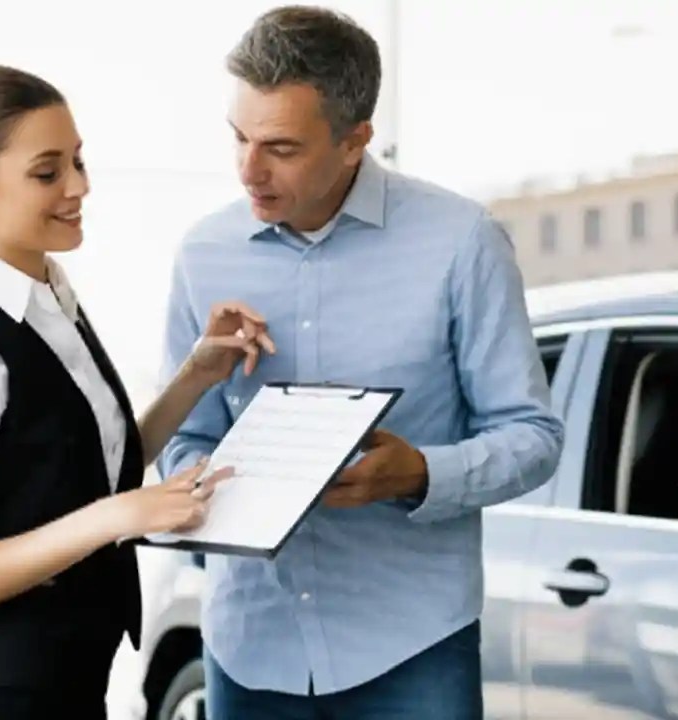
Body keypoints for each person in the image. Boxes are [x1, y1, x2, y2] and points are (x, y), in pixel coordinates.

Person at [159, 6, 564, 719]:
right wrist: (203, 482)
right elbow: (184, 439)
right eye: (239, 137)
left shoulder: (461, 241)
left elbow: (533, 435)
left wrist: (421, 474)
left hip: (412, 646)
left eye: (281, 147)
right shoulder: (203, 253)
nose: (249, 170)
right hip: (250, 645)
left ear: (355, 141)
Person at [0, 64, 274, 720]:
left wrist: (198, 374)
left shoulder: (49, 299)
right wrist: (116, 517)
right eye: (47, 172)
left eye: (78, 162)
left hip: (70, 687)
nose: (79, 186)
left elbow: (88, 469)